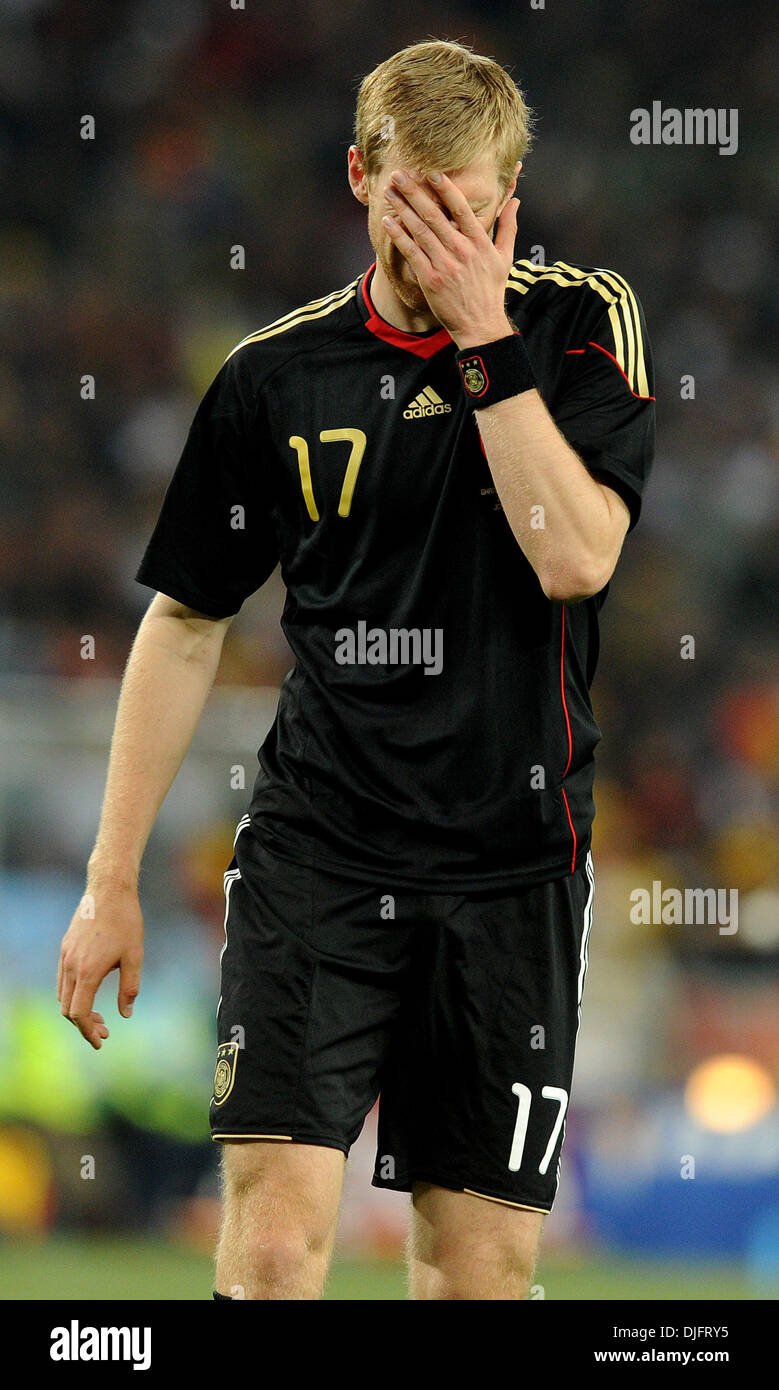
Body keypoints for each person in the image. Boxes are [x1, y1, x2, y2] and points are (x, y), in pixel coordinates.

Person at [57, 38, 655, 1300]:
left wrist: (483, 339)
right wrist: (111, 880)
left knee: (477, 1276)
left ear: (509, 203)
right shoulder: (273, 377)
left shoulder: (578, 322)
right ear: (355, 178)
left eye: (466, 213)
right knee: (274, 1251)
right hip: (318, 851)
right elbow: (184, 622)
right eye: (409, 206)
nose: (435, 243)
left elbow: (573, 556)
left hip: (513, 864)